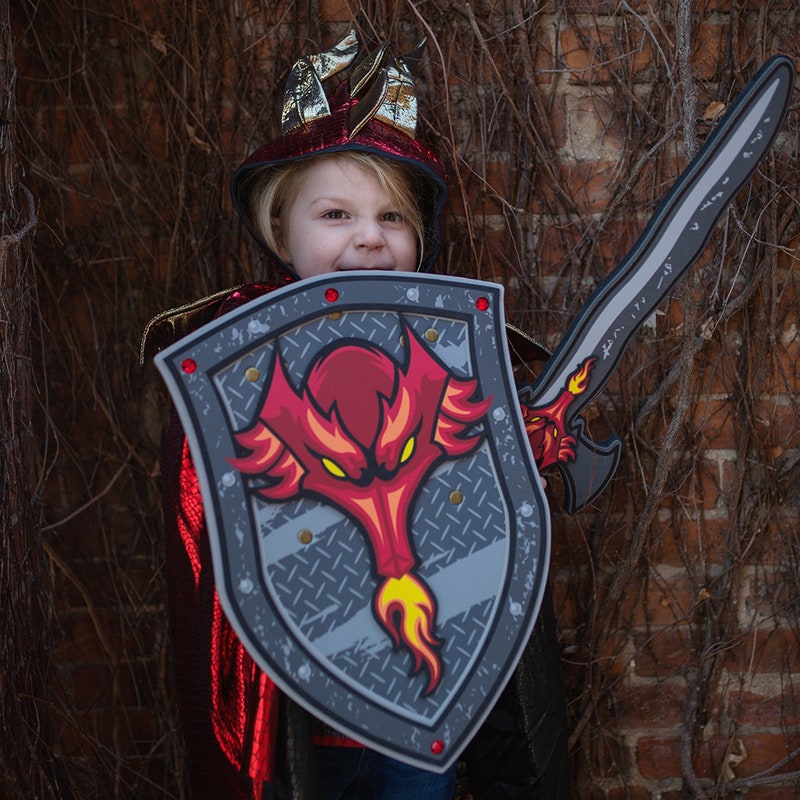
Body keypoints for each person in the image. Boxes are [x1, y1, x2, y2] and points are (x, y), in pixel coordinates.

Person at [143, 29, 570, 800]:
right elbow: (213, 530)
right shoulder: (235, 356)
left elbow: (480, 519)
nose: (370, 237)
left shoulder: (450, 353)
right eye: (336, 213)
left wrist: (522, 458)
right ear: (281, 227)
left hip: (421, 690)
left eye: (393, 217)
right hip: (296, 715)